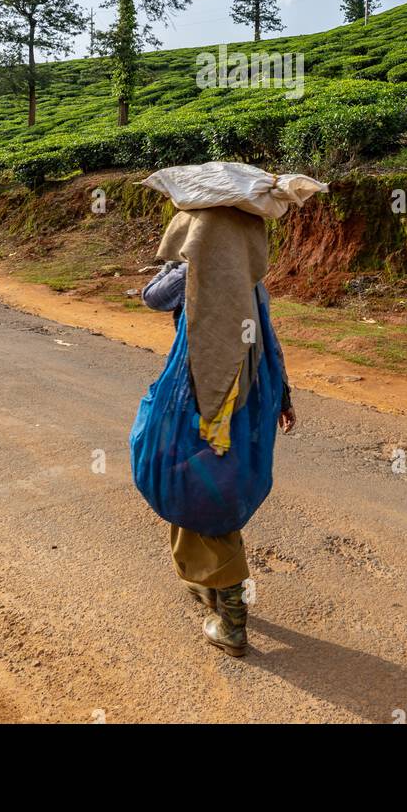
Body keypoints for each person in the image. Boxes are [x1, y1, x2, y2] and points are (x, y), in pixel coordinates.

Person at [141, 206, 296, 658]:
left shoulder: (197, 273)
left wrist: (190, 261)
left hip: (203, 404)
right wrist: (282, 396)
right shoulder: (251, 282)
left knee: (204, 496)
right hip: (248, 401)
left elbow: (153, 296)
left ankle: (232, 622)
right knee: (197, 487)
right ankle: (205, 585)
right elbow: (270, 340)